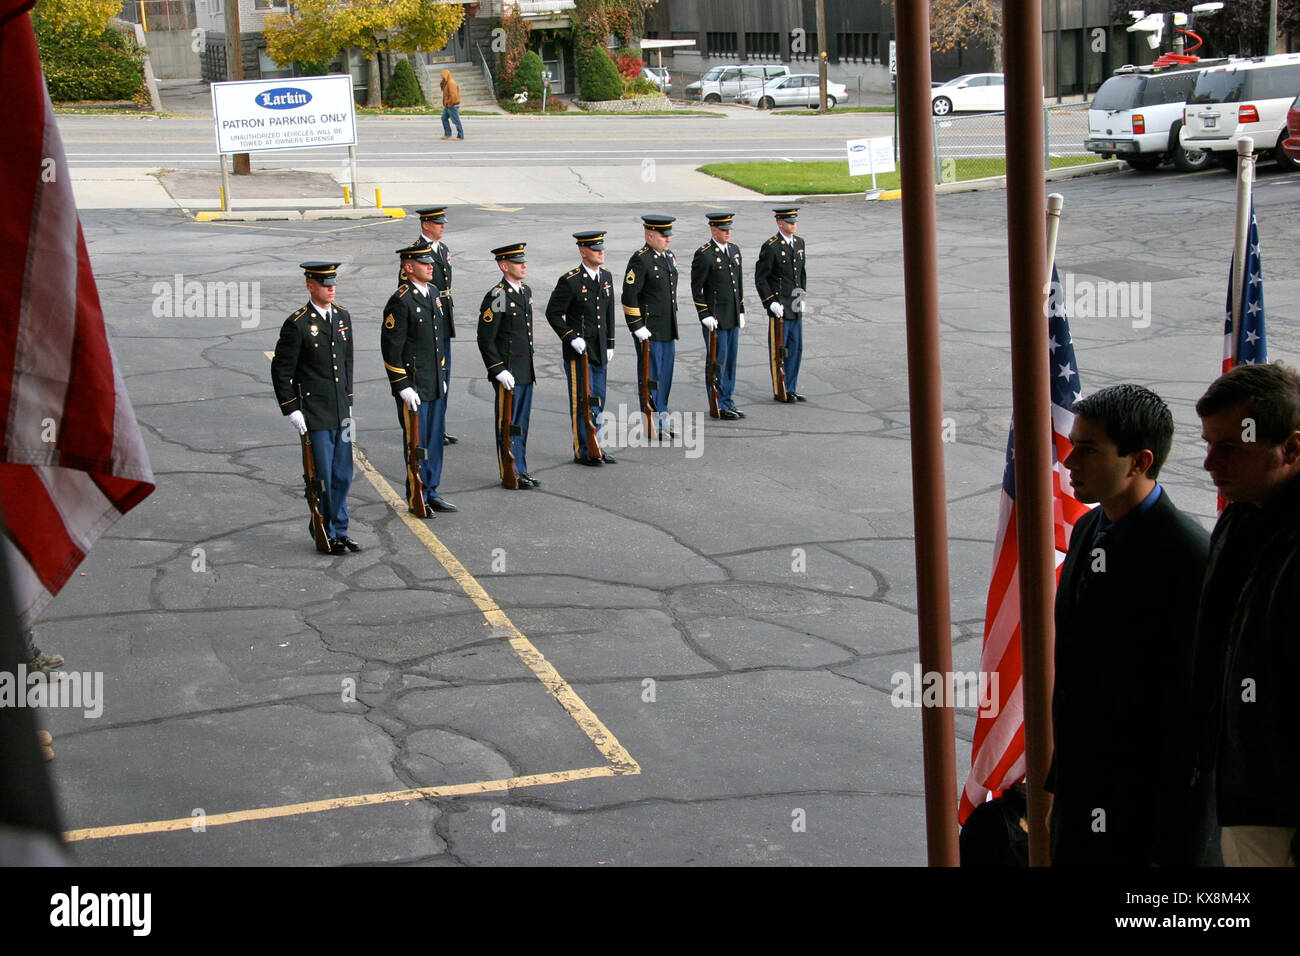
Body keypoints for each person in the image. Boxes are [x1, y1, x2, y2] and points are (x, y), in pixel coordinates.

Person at [1048, 384, 1213, 866]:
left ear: (1140, 461)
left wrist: (1169, 842)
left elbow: (1187, 711)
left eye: (1088, 449)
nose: (1070, 462)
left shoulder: (1185, 557)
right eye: (1072, 445)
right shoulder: (1088, 527)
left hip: (1143, 813)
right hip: (1083, 789)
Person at [1193, 361, 1300, 866]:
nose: (1210, 463)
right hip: (1239, 795)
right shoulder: (1239, 517)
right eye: (1208, 443)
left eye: (1231, 447)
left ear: (1292, 448)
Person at [271, 262, 359, 554]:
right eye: (324, 284)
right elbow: (282, 371)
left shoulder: (342, 317)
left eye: (333, 283)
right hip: (315, 413)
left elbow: (347, 363)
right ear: (310, 286)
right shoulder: (297, 324)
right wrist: (291, 408)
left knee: (343, 473)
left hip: (339, 412)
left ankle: (341, 530)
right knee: (320, 476)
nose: (331, 288)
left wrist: (348, 401)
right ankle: (326, 531)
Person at [382, 244, 455, 514]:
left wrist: (442, 373)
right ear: (408, 267)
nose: (430, 266)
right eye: (424, 263)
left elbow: (438, 341)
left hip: (434, 382)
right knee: (417, 443)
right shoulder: (400, 301)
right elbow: (391, 347)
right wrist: (401, 385)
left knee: (435, 441)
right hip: (414, 385)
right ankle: (417, 494)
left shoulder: (434, 293)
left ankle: (432, 490)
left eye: (430, 262)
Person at [546, 230, 617, 466]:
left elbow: (609, 313)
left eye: (602, 249)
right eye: (596, 250)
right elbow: (553, 313)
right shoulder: (571, 280)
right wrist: (570, 336)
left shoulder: (605, 277)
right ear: (583, 252)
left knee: (599, 399)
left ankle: (597, 444)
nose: (601, 253)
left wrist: (610, 343)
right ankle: (583, 449)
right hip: (579, 352)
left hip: (599, 348)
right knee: (582, 402)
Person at [478, 243, 539, 489]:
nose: (523, 265)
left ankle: (521, 468)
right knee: (507, 423)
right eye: (517, 262)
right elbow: (486, 337)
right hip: (508, 372)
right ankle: (509, 470)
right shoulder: (499, 295)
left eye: (523, 260)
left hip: (525, 370)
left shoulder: (524, 291)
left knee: (521, 423)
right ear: (504, 266)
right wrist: (498, 369)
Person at [401, 207, 458, 447]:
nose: (443, 226)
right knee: (428, 374)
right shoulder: (416, 252)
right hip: (425, 320)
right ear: (425, 225)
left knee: (443, 374)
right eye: (438, 223)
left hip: (442, 316)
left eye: (443, 222)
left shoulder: (443, 250)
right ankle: (423, 425)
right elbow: (406, 292)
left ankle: (439, 426)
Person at [622, 214, 680, 439]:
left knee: (665, 376)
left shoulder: (668, 257)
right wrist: (637, 326)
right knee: (651, 376)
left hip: (667, 326)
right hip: (650, 330)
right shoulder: (641, 260)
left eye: (668, 236)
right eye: (663, 236)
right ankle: (651, 422)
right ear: (650, 235)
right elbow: (629, 296)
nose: (668, 240)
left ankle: (662, 419)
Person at [691, 211, 746, 420]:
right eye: (723, 230)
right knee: (717, 362)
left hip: (731, 316)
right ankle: (717, 403)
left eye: (729, 229)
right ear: (713, 229)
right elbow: (697, 288)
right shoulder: (704, 255)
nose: (727, 233)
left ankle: (728, 401)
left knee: (730, 361)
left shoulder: (734, 251)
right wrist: (704, 314)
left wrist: (740, 309)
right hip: (715, 319)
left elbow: (737, 285)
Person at [753, 206, 808, 402]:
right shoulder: (772, 246)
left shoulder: (799, 243)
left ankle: (791, 387)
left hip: (795, 305)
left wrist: (801, 298)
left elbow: (801, 274)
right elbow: (761, 278)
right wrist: (770, 302)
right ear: (779, 223)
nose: (794, 225)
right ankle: (780, 389)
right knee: (780, 350)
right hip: (780, 306)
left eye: (795, 221)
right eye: (789, 222)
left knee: (795, 349)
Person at [440, 69, 464, 141]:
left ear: (447, 75)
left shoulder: (451, 83)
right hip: (448, 105)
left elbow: (454, 96)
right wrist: (442, 82)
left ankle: (460, 136)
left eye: (443, 76)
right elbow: (443, 90)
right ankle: (447, 134)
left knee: (456, 121)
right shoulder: (446, 83)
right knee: (443, 118)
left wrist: (450, 103)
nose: (442, 77)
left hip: (452, 105)